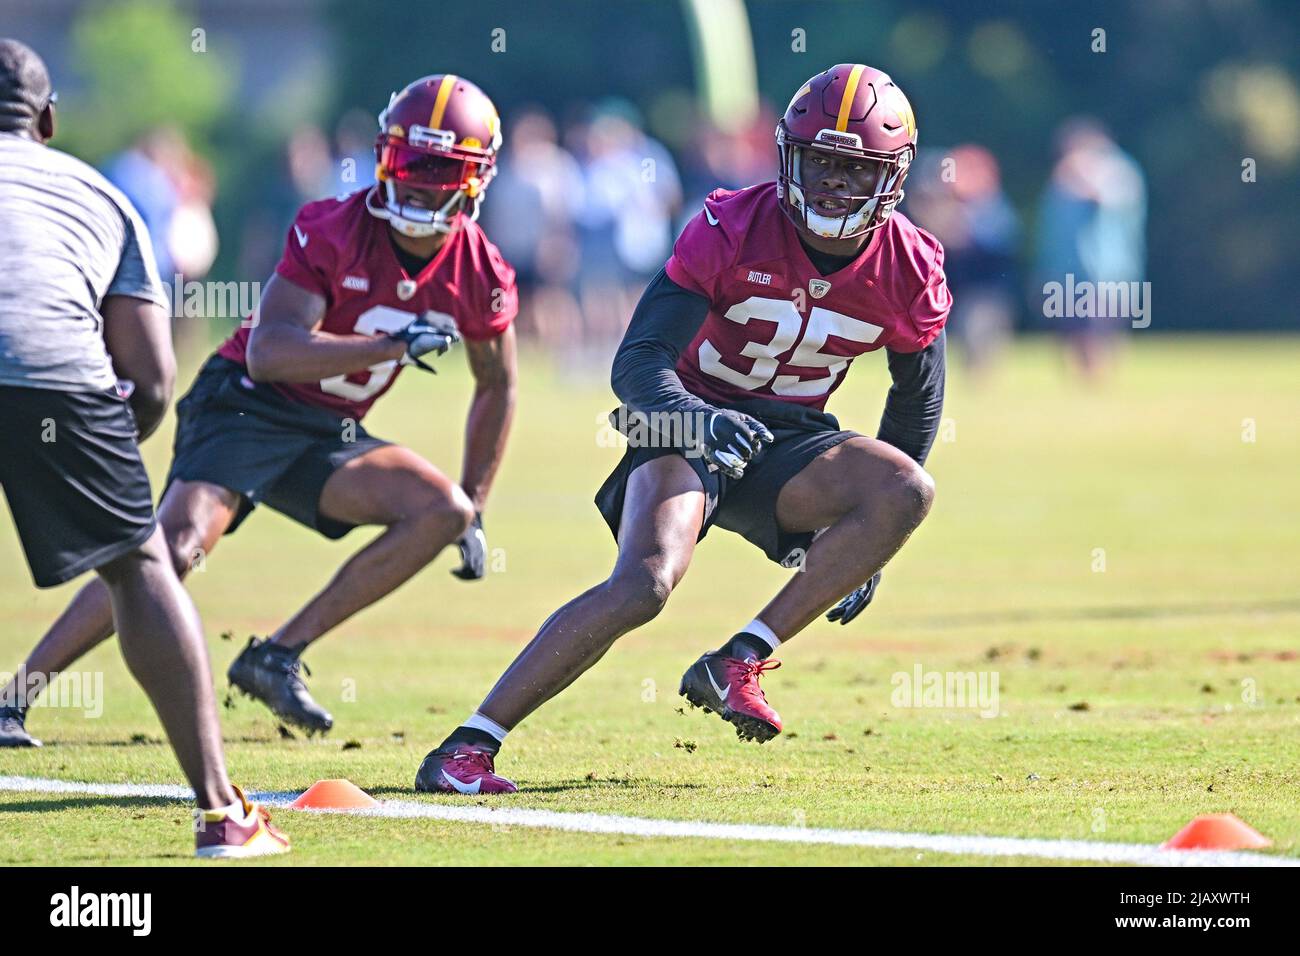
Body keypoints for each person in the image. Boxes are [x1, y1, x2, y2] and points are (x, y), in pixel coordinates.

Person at [415, 64, 950, 794]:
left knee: (906, 489)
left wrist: (870, 546)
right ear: (788, 155)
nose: (831, 184)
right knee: (643, 583)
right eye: (820, 162)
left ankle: (740, 659)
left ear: (890, 176)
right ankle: (467, 746)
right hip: (686, 418)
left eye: (852, 169)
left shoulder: (910, 263)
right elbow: (637, 362)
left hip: (787, 441)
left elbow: (915, 404)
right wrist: (696, 419)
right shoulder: (732, 223)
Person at [0, 73, 518, 741]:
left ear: (476, 178)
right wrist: (387, 345)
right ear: (385, 156)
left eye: (440, 168)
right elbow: (269, 354)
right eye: (408, 161)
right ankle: (15, 695)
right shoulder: (332, 225)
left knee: (442, 509)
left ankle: (276, 656)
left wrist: (475, 498)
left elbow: (497, 383)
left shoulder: (479, 270)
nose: (418, 182)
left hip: (326, 430)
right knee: (175, 549)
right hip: (243, 407)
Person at [0, 38, 288, 857]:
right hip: (58, 378)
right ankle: (221, 815)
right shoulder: (103, 194)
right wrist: (111, 455)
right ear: (48, 120)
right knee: (140, 568)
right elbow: (153, 374)